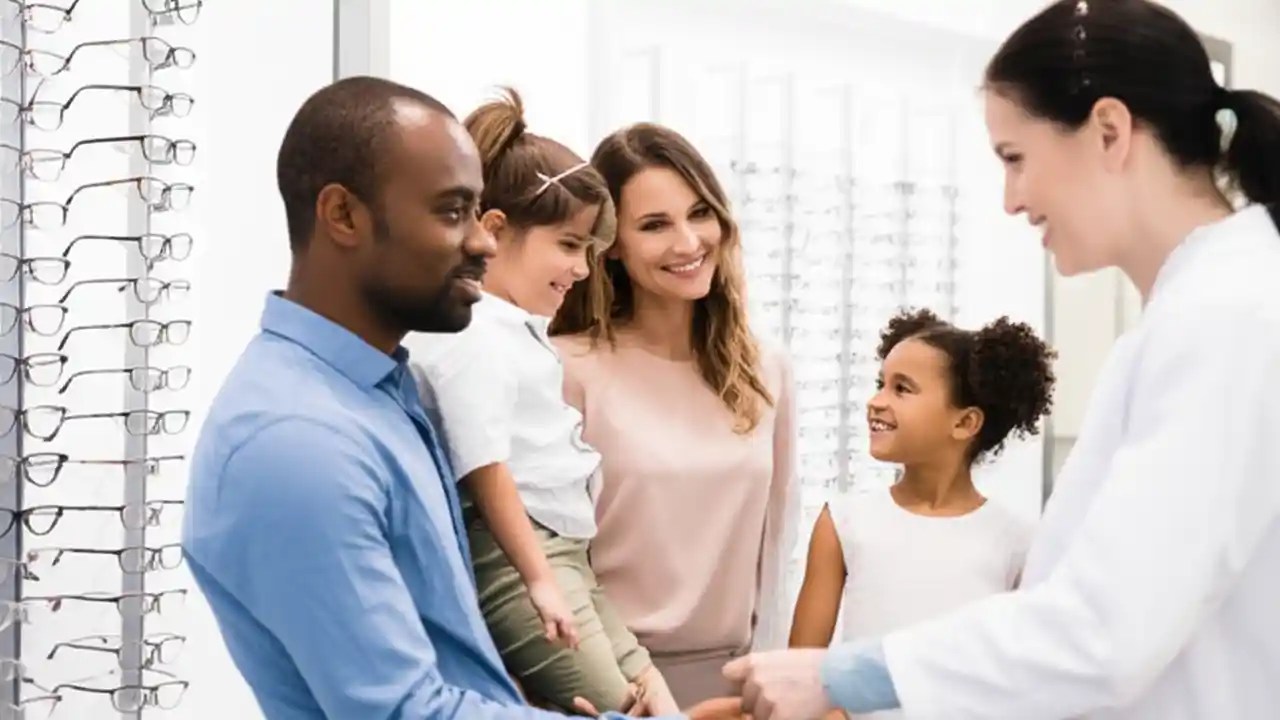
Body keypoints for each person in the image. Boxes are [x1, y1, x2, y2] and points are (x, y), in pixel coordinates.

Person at [723, 1, 1280, 718]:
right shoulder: (1199, 309)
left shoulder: (1228, 314)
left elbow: (1104, 630)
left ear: (1109, 131)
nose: (1012, 201)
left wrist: (846, 675)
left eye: (1015, 159)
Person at [181, 76, 739, 720]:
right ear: (343, 216)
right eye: (452, 212)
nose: (481, 242)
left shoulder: (380, 392)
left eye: (479, 212)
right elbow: (402, 711)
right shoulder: (297, 442)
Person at [407, 88, 679, 716]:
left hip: (565, 558)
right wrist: (539, 581)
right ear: (495, 232)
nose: (583, 270)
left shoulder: (511, 328)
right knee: (619, 706)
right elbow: (485, 467)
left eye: (588, 250)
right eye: (568, 245)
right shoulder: (473, 333)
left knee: (656, 702)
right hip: (523, 561)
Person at [549, 122, 800, 707]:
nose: (689, 242)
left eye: (699, 213)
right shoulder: (568, 368)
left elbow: (777, 544)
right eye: (655, 225)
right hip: (610, 682)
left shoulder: (767, 372)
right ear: (609, 244)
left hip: (737, 683)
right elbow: (554, 560)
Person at [787, 308, 1051, 719]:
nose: (876, 401)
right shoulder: (843, 522)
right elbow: (797, 677)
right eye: (880, 384)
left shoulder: (1016, 541)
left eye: (902, 389)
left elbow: (1019, 679)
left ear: (965, 422)